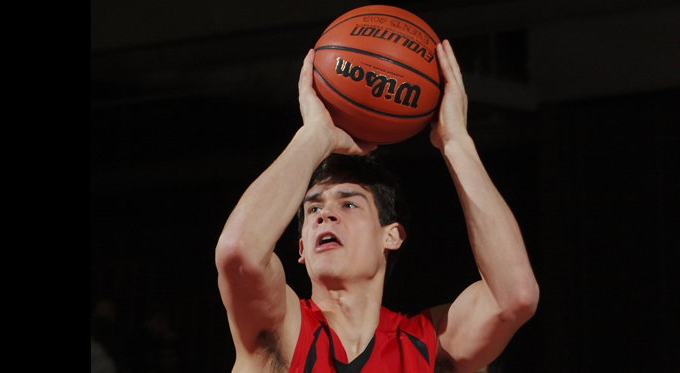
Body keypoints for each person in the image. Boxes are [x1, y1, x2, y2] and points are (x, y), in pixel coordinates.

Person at [214, 40, 539, 373]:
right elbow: (239, 252)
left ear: (392, 236)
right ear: (301, 247)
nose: (325, 214)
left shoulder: (426, 345)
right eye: (313, 210)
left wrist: (455, 140)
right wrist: (315, 135)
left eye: (349, 204)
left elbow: (515, 296)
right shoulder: (284, 333)